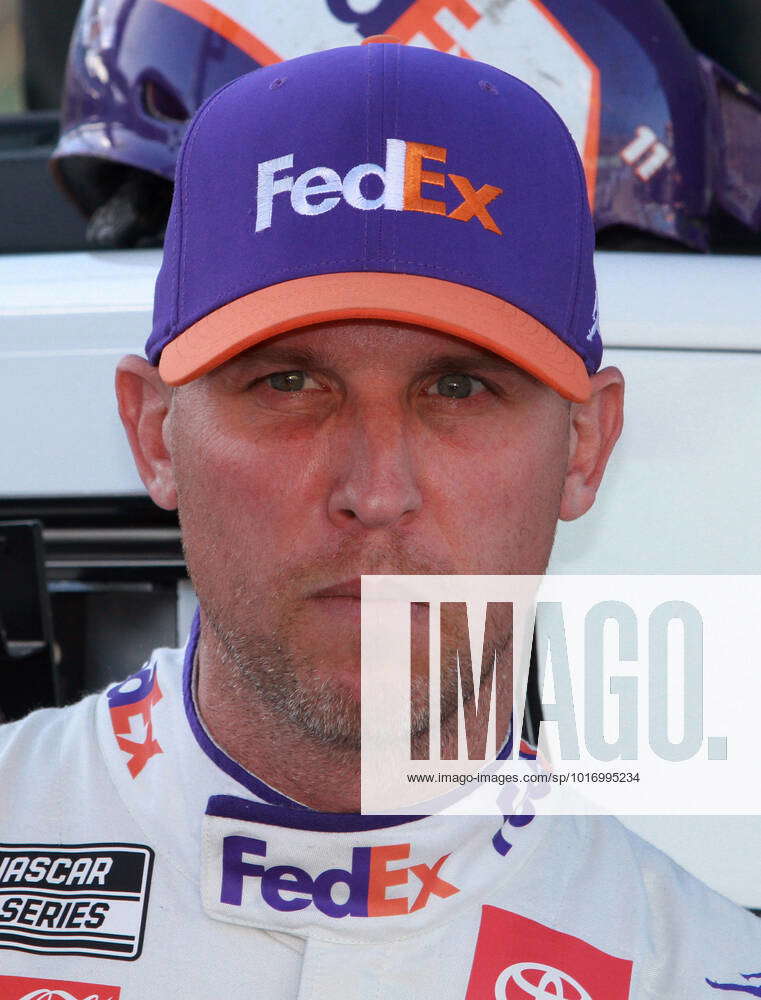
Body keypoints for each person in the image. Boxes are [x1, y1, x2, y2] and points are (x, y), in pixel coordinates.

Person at [1, 38, 759, 999]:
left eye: (458, 388)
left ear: (585, 447)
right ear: (155, 434)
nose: (375, 488)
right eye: (286, 382)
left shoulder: (699, 971)